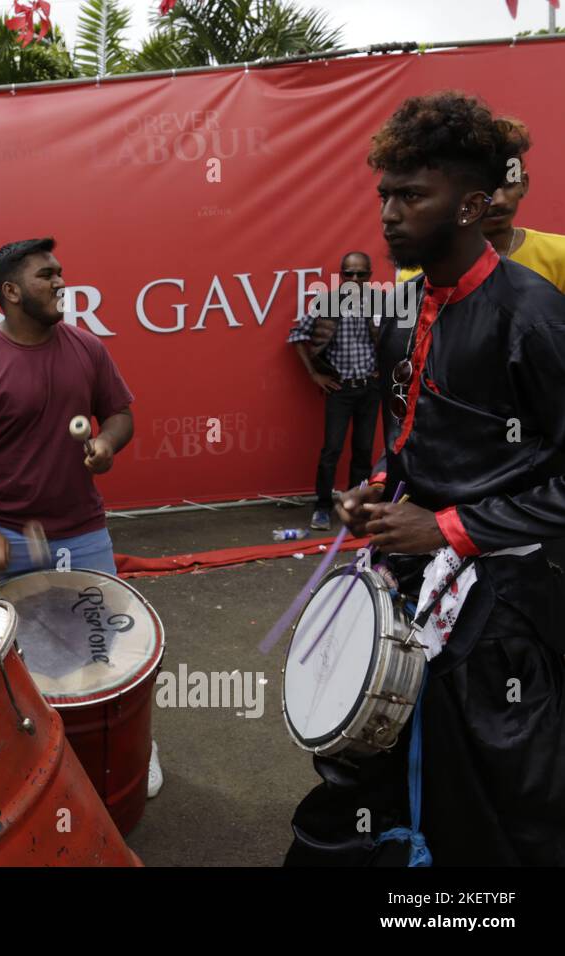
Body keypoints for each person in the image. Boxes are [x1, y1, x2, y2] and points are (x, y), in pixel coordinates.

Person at [286, 92, 565, 866]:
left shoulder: (533, 315)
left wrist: (448, 527)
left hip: (502, 616)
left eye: (412, 196)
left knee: (501, 804)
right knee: (401, 782)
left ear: (473, 205)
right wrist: (376, 486)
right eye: (384, 194)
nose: (388, 213)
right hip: (409, 585)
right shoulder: (405, 307)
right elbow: (420, 442)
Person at [0, 237, 163, 798]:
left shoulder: (86, 348)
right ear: (10, 292)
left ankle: (136, 745)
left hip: (83, 530)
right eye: (47, 275)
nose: (61, 282)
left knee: (108, 654)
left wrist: (108, 444)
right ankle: (23, 765)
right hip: (6, 538)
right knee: (4, 664)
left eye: (61, 272)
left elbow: (120, 414)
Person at [397, 116, 565, 292]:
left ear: (524, 184)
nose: (499, 200)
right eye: (486, 189)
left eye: (509, 185)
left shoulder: (559, 256)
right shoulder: (420, 273)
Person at [287, 252, 382, 530]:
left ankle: (354, 508)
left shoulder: (380, 303)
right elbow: (297, 336)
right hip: (340, 390)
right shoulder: (326, 302)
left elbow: (395, 337)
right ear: (341, 275)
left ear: (370, 275)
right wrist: (315, 374)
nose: (354, 279)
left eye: (361, 274)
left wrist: (384, 368)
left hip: (369, 389)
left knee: (363, 451)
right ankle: (323, 507)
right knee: (332, 450)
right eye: (349, 274)